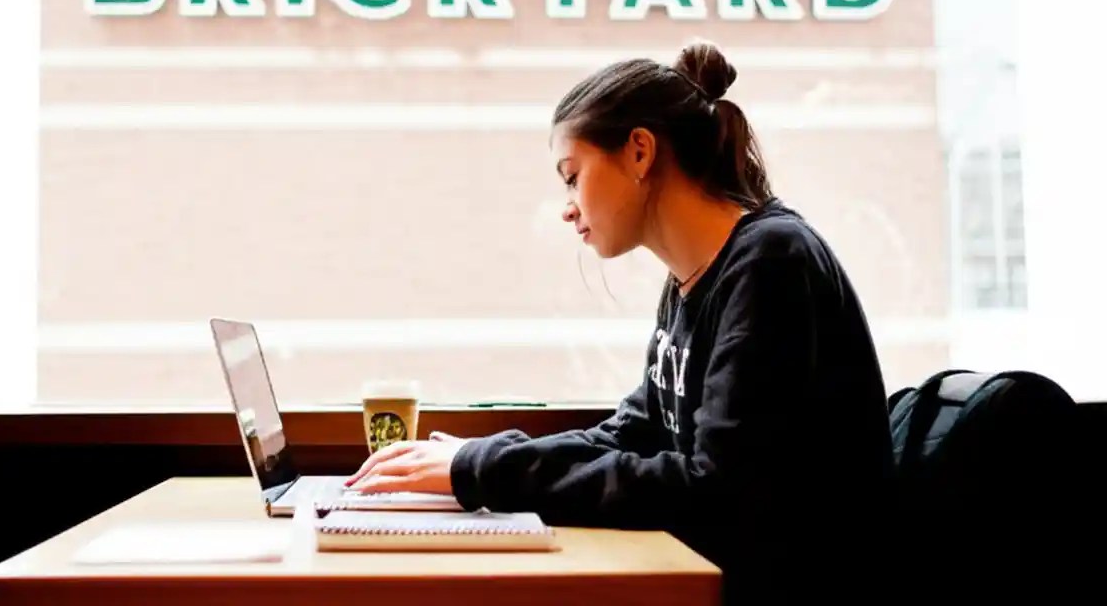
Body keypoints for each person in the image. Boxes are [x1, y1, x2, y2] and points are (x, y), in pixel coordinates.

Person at [345, 40, 897, 604]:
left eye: (572, 175)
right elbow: (633, 433)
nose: (567, 205)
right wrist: (476, 461)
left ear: (639, 152)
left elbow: (714, 489)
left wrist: (484, 468)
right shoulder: (691, 278)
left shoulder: (771, 261)